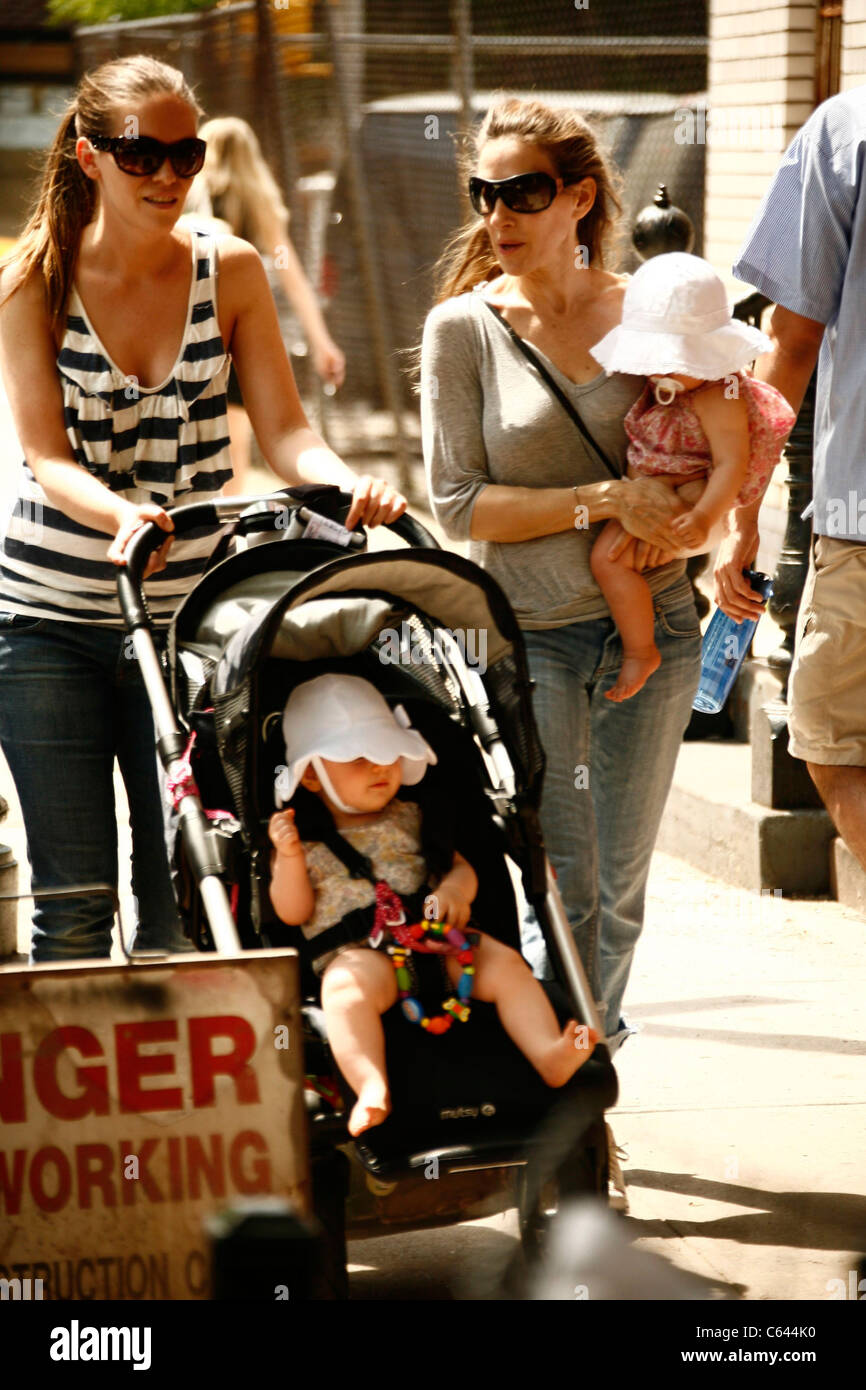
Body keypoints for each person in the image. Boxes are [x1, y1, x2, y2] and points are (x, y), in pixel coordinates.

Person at [0, 55, 404, 965]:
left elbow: (289, 432)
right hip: (46, 621)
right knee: (72, 904)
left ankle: (183, 1103)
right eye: (143, 154)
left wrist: (345, 484)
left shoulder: (233, 270)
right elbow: (44, 456)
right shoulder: (35, 279)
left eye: (185, 155)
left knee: (188, 891)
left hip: (189, 628)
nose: (170, 176)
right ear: (89, 154)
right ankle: (88, 1106)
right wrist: (121, 516)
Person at [420, 96, 701, 1206]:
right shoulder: (463, 329)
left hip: (657, 626)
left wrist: (700, 515)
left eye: (523, 192)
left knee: (618, 889)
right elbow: (456, 504)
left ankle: (587, 1087)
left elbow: (713, 426)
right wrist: (599, 499)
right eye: (484, 193)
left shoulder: (648, 314)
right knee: (566, 883)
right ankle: (570, 1120)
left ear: (578, 197)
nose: (498, 213)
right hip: (531, 633)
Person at [267, 674, 598, 1137]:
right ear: (310, 775)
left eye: (387, 754)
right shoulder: (304, 842)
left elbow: (458, 866)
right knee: (343, 993)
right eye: (359, 758)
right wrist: (287, 860)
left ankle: (548, 1053)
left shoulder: (415, 815)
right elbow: (292, 912)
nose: (379, 767)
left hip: (441, 944)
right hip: (365, 957)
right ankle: (370, 1085)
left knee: (505, 966)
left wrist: (455, 892)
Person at [720, 88, 866, 873]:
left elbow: (792, 339)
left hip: (861, 521)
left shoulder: (848, 129)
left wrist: (742, 513)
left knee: (831, 741)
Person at [588, 252, 794, 701]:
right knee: (612, 557)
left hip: (701, 496)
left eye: (673, 359)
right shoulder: (671, 385)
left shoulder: (719, 392)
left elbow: (731, 464)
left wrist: (703, 516)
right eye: (653, 357)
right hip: (662, 488)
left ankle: (640, 649)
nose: (660, 369)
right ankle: (638, 640)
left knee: (608, 558)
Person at [182, 116, 346, 495]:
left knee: (190, 437)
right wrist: (322, 344)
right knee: (234, 442)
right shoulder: (261, 208)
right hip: (239, 338)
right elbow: (296, 283)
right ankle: (228, 527)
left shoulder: (187, 200)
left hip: (191, 331)